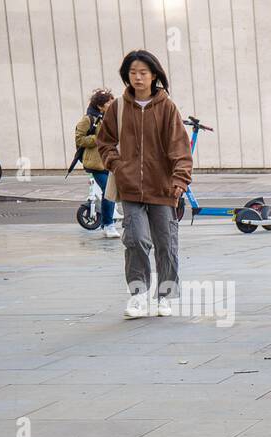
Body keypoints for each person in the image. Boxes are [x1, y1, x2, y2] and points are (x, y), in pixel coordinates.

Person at [96, 50, 192, 319]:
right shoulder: (118, 107)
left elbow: (180, 147)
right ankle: (138, 295)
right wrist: (117, 165)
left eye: (143, 72)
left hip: (164, 187)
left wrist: (180, 179)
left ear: (154, 75)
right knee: (135, 240)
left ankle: (165, 296)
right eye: (132, 72)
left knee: (166, 243)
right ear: (126, 76)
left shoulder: (166, 107)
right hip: (130, 188)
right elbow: (104, 142)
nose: (137, 77)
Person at [74, 88, 119, 238]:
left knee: (115, 190)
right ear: (100, 106)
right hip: (97, 164)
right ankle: (108, 224)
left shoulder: (112, 117)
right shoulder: (88, 119)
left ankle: (115, 220)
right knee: (109, 190)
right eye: (109, 101)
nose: (112, 103)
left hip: (112, 161)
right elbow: (79, 139)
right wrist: (97, 139)